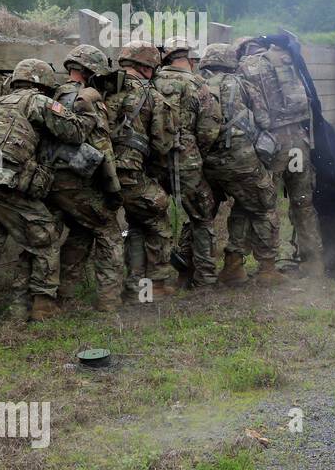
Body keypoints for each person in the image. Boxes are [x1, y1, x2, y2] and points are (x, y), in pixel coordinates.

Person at [0, 59, 86, 337]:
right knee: (46, 237)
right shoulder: (37, 101)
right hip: (6, 184)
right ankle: (43, 306)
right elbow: (73, 132)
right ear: (43, 83)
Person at [198, 43, 284, 286]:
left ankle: (232, 266)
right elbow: (264, 119)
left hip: (208, 164)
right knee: (264, 206)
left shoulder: (197, 86)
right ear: (229, 62)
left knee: (243, 205)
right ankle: (268, 269)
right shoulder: (241, 83)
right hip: (241, 160)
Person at [237, 37, 323, 276]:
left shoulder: (246, 67)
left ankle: (268, 266)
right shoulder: (284, 62)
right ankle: (313, 261)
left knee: (267, 205)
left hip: (272, 145)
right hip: (299, 141)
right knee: (303, 201)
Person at [100, 41, 178, 299]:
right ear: (147, 67)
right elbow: (163, 144)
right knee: (158, 220)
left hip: (98, 174)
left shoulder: (103, 89)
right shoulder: (152, 96)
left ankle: (135, 287)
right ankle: (155, 285)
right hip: (129, 173)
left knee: (135, 224)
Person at [49, 45, 123, 311]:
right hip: (77, 182)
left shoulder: (53, 95)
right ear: (91, 72)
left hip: (51, 181)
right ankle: (109, 300)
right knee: (109, 231)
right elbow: (102, 145)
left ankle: (64, 295)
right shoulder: (87, 98)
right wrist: (113, 189)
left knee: (80, 232)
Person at [155, 36, 223, 289]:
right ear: (189, 59)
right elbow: (209, 128)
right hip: (188, 161)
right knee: (202, 216)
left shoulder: (151, 82)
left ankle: (154, 280)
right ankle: (204, 277)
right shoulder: (198, 84)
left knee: (153, 219)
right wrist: (196, 151)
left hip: (154, 162)